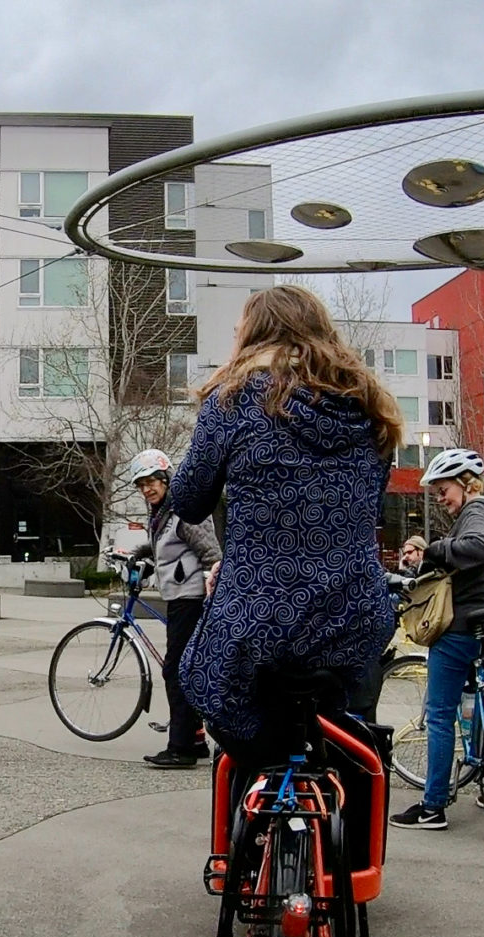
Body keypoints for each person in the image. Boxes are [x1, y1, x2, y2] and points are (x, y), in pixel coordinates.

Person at [168, 284, 403, 769]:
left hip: (259, 614)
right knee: (343, 733)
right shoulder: (369, 408)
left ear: (254, 336)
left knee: (210, 687)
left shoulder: (233, 399)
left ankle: (263, 787)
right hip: (353, 613)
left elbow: (188, 502)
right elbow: (362, 510)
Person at [391, 448, 484, 831]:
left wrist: (435, 549)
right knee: (483, 705)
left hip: (462, 625)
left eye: (443, 490)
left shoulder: (476, 510)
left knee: (441, 715)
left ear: (466, 483)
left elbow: (478, 547)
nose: (441, 498)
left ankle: (433, 807)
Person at [124, 448, 221, 768]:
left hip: (191, 599)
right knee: (185, 669)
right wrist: (140, 555)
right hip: (180, 597)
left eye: (151, 481)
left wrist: (211, 595)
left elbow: (211, 554)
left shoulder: (184, 509)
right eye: (141, 485)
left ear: (166, 478)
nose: (146, 489)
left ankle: (180, 748)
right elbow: (166, 549)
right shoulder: (163, 511)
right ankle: (195, 739)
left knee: (176, 670)